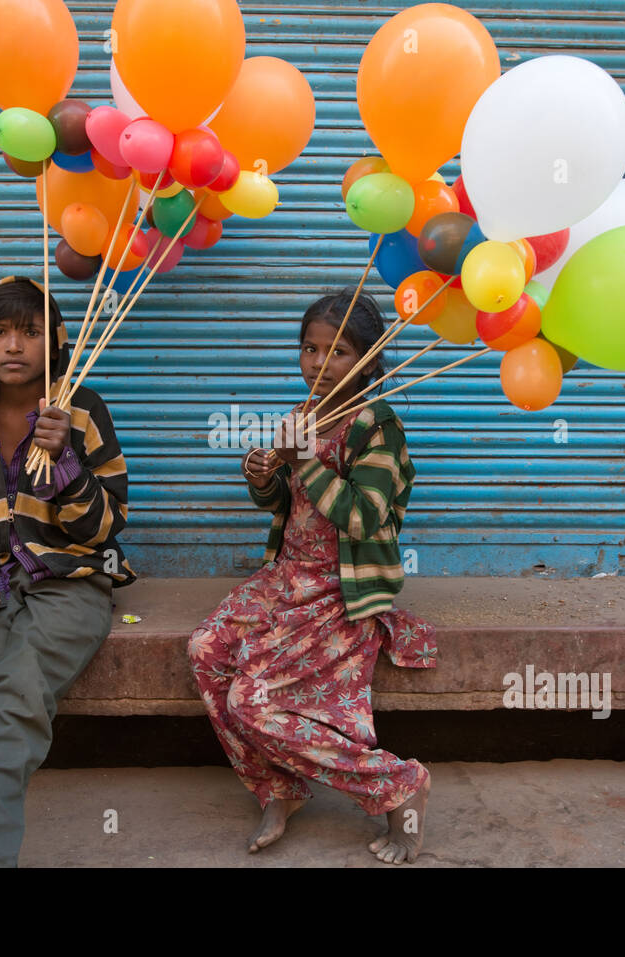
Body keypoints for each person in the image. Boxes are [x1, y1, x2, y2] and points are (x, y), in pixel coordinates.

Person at [188, 289, 438, 865]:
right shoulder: (304, 415)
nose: (318, 364)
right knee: (205, 650)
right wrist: (263, 475)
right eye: (309, 349)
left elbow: (364, 515)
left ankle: (398, 785)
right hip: (286, 578)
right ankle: (278, 788)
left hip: (338, 588)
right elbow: (283, 503)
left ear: (369, 360)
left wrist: (304, 463)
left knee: (252, 705)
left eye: (338, 352)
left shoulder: (378, 426)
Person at [0, 275, 135, 868]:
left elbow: (103, 527)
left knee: (15, 699)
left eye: (30, 332)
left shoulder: (80, 412)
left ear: (55, 341)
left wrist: (65, 460)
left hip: (71, 584)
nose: (13, 345)